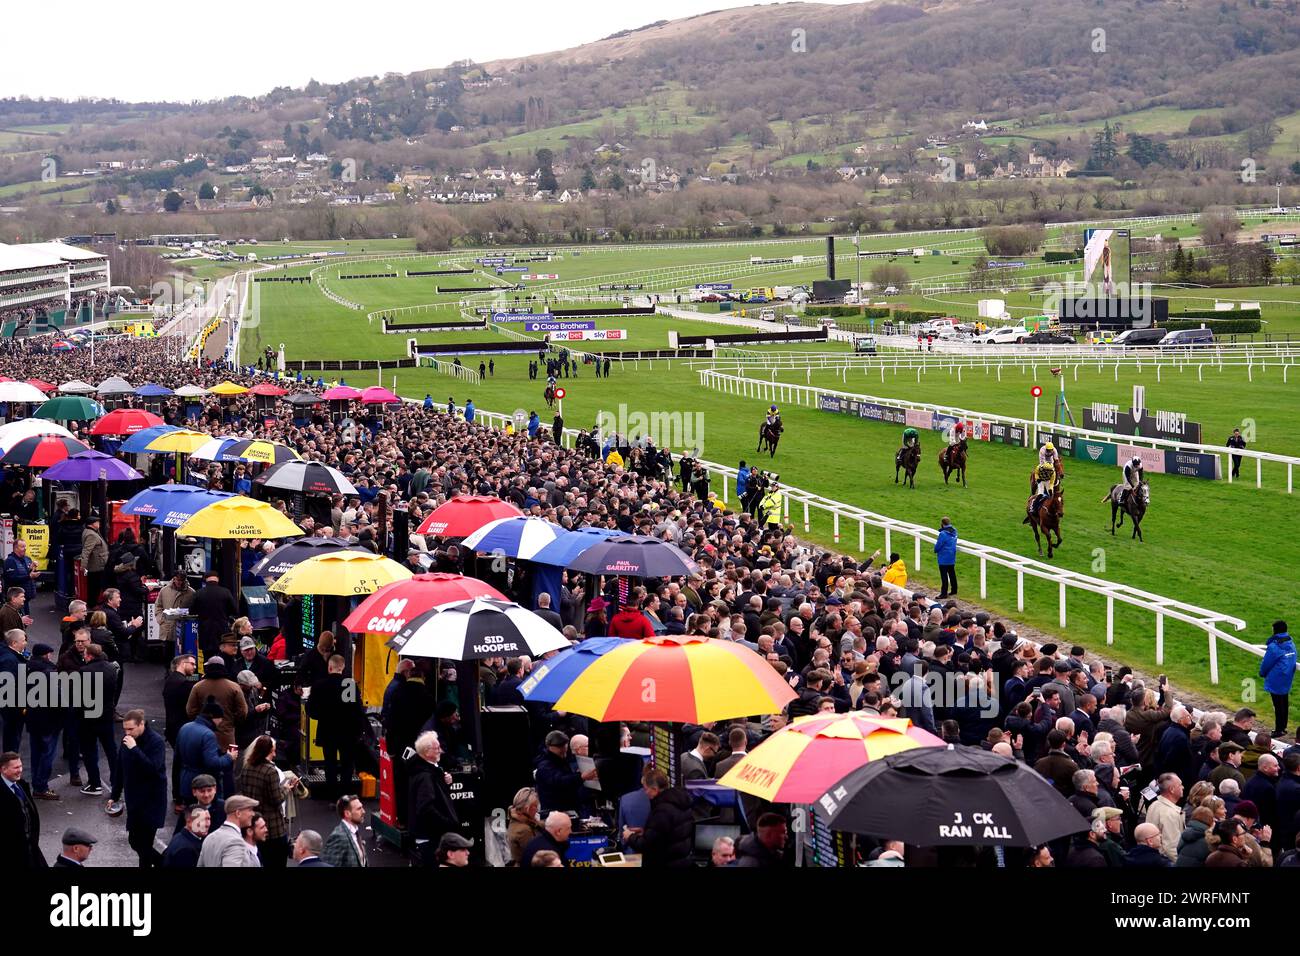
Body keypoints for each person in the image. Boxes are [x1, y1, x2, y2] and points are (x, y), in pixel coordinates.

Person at [308, 653, 364, 798]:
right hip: (347, 732)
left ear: (330, 667)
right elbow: (356, 710)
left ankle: (332, 796)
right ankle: (345, 795)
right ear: (343, 667)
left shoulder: (319, 685)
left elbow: (311, 710)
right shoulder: (349, 685)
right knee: (347, 764)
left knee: (330, 763)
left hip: (327, 731)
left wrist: (323, 716)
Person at [234, 735, 295, 868]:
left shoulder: (247, 767)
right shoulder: (270, 771)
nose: (274, 753)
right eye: (272, 750)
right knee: (276, 861)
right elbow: (276, 799)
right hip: (272, 826)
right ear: (266, 751)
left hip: (252, 821)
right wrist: (285, 789)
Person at [117, 710, 168, 866]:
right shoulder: (127, 741)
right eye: (125, 729)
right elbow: (120, 769)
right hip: (135, 802)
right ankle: (164, 863)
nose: (127, 733)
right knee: (134, 841)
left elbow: (152, 768)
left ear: (141, 724)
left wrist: (135, 750)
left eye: (131, 729)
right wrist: (114, 795)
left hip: (152, 801)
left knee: (144, 844)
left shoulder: (156, 742)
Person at [623, 768, 695, 867]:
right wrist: (645, 832)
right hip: (681, 861)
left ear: (655, 790)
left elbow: (647, 845)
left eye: (645, 789)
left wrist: (630, 837)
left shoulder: (662, 811)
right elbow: (667, 834)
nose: (645, 792)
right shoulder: (681, 802)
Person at [408, 730, 458, 867]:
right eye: (437, 748)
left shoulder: (427, 770)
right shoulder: (425, 776)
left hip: (428, 835)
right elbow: (425, 808)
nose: (440, 751)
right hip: (430, 837)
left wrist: (445, 781)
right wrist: (446, 823)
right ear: (426, 752)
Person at [0, 751, 45, 869]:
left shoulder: (21, 785)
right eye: (15, 767)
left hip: (30, 846)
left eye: (20, 766)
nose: (20, 770)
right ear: (3, 770)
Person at [197, 794, 261, 867]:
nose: (253, 814)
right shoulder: (235, 842)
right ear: (238, 813)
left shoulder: (210, 837)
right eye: (250, 810)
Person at [1260, 620, 1295, 737]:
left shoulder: (1274, 646)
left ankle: (1279, 730)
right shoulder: (1291, 642)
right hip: (1287, 677)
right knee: (1284, 703)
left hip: (1276, 679)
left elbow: (1267, 663)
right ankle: (1283, 728)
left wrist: (1262, 673)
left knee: (1278, 705)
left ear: (1275, 630)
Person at [190, 571, 236, 657]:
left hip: (205, 631)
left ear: (205, 580)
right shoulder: (225, 592)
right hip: (222, 630)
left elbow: (191, 611)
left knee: (207, 658)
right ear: (217, 579)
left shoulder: (199, 593)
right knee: (223, 656)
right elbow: (234, 610)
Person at [1144, 772, 1185, 862]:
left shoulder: (1154, 805)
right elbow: (1171, 848)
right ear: (1172, 789)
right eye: (1180, 785)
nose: (1183, 787)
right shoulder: (1169, 814)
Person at [321, 794, 368, 867]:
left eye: (362, 807)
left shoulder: (354, 832)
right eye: (359, 809)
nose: (364, 811)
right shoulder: (338, 837)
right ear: (347, 814)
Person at [154, 572, 195, 656]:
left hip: (183, 628)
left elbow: (194, 610)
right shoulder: (164, 590)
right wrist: (161, 620)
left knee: (181, 655)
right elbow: (158, 606)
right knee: (167, 654)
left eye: (182, 580)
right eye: (178, 580)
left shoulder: (191, 593)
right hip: (167, 627)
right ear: (174, 578)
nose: (179, 582)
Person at [505, 787, 543, 865]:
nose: (537, 810)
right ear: (527, 809)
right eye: (535, 806)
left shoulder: (518, 820)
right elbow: (537, 855)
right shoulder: (524, 830)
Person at [80, 516, 109, 606]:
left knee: (95, 585)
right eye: (97, 522)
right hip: (96, 564)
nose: (99, 524)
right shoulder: (91, 534)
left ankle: (93, 603)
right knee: (94, 586)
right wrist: (83, 565)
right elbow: (86, 550)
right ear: (92, 524)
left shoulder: (91, 532)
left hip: (97, 563)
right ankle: (92, 604)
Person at [3, 540, 38, 615]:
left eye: (25, 546)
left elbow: (26, 573)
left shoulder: (27, 559)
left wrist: (32, 569)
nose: (25, 548)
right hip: (15, 600)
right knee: (17, 623)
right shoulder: (10, 561)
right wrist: (29, 576)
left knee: (25, 623)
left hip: (26, 598)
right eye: (22, 546)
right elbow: (11, 579)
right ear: (15, 548)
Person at [934, 516, 958, 598]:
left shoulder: (943, 534)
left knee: (944, 576)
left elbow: (938, 545)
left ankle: (943, 593)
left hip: (943, 557)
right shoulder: (954, 531)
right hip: (952, 556)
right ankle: (954, 590)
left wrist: (935, 550)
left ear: (942, 524)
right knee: (952, 573)